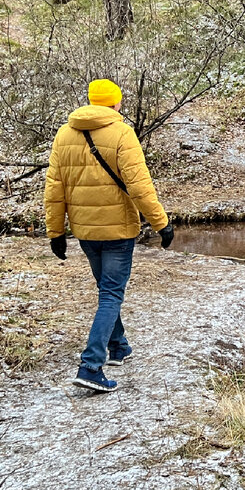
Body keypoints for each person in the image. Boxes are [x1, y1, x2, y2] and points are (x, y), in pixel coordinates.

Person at [44, 78, 174, 392]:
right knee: (112, 293)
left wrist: (56, 231)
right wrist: (161, 223)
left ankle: (119, 348)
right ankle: (90, 365)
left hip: (85, 229)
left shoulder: (65, 133)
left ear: (90, 101)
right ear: (116, 103)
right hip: (117, 229)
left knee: (106, 289)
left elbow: (54, 187)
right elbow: (140, 187)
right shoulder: (122, 133)